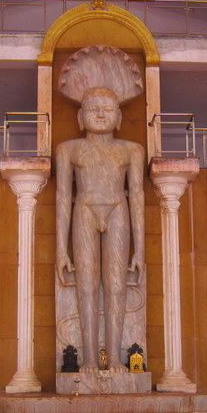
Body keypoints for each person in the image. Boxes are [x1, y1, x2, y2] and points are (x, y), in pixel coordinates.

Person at [55, 87, 145, 373]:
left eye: (108, 108)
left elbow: (138, 197)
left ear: (119, 117)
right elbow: (61, 198)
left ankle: (117, 360)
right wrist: (60, 250)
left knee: (117, 286)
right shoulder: (68, 150)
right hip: (85, 209)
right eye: (94, 108)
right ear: (81, 117)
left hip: (117, 208)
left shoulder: (132, 150)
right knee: (86, 286)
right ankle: (91, 360)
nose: (101, 113)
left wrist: (140, 250)